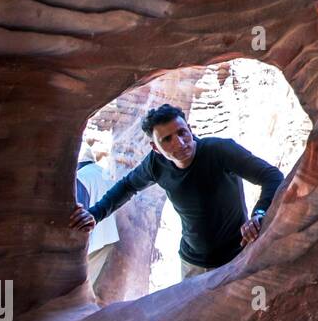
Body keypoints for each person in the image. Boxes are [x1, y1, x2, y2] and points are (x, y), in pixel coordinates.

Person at [69, 104, 284, 279]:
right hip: (191, 262)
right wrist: (95, 214)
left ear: (190, 129)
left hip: (235, 257)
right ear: (156, 148)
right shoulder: (156, 164)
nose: (180, 143)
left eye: (182, 132)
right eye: (167, 139)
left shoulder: (219, 151)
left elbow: (272, 176)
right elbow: (127, 186)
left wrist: (260, 214)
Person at [75, 135, 121, 300]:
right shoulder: (103, 172)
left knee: (77, 291)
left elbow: (79, 211)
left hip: (91, 243)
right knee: (90, 284)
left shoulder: (80, 177)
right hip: (107, 237)